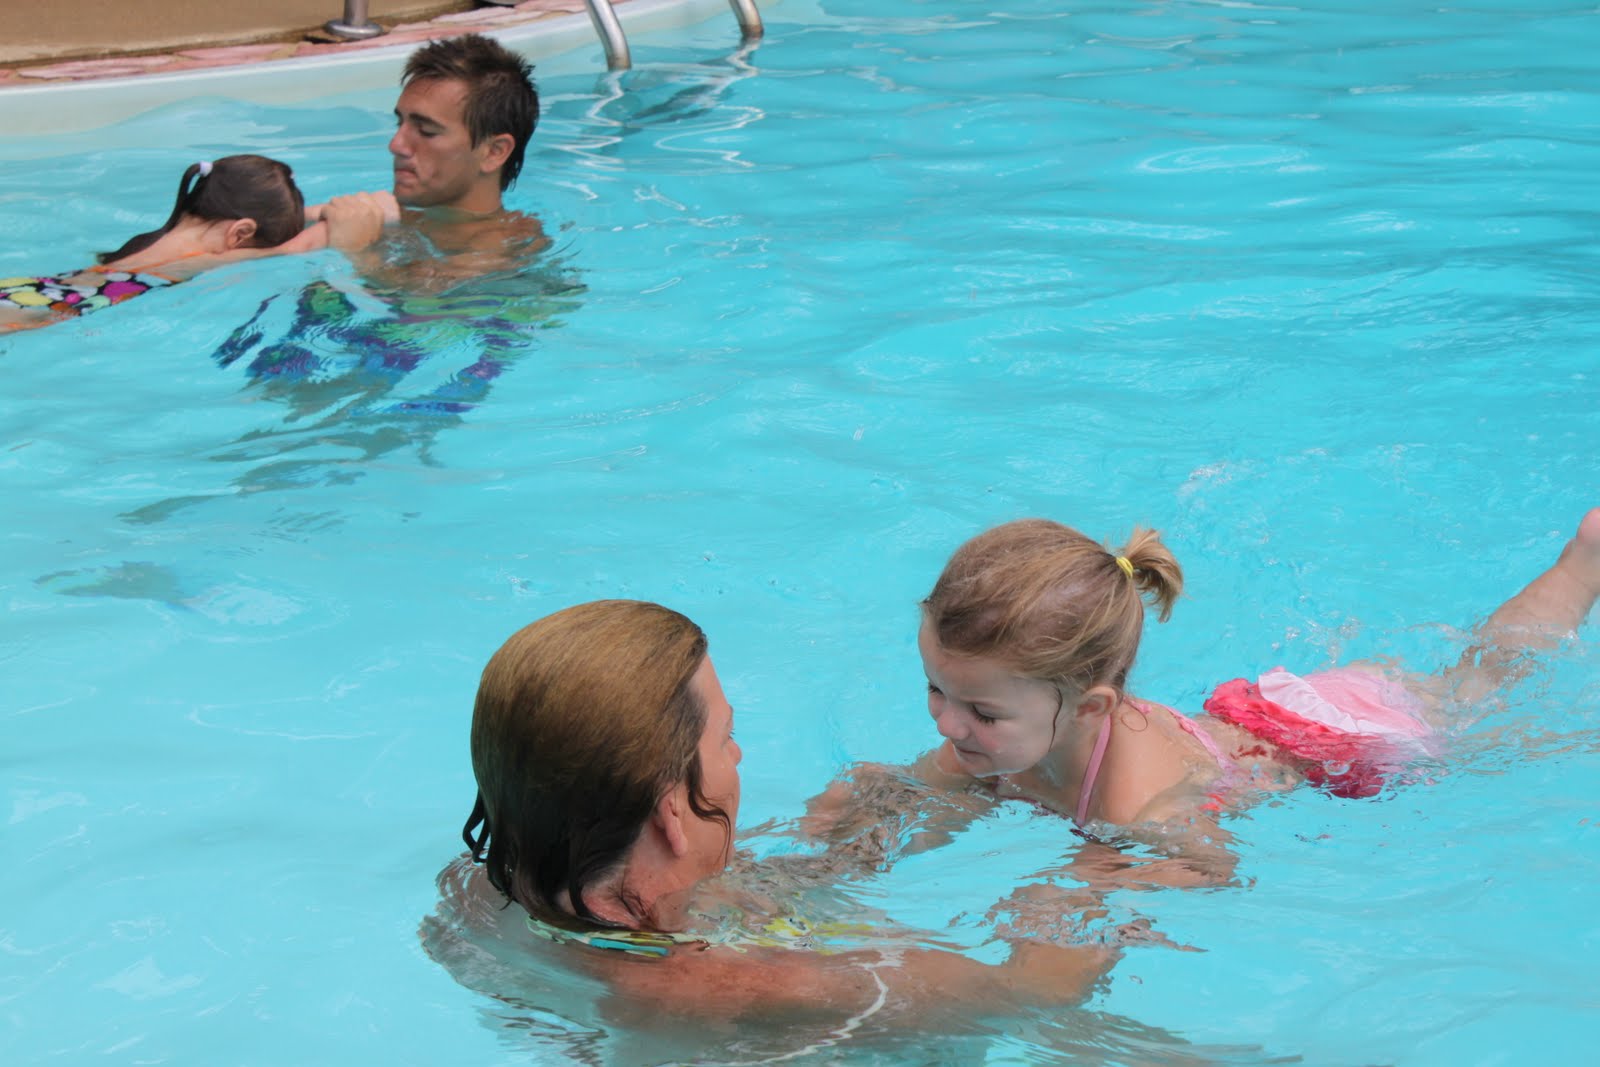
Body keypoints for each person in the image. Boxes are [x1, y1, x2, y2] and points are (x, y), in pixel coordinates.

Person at [432, 599, 1111, 1032]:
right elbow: (1033, 992)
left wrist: (826, 855)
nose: (740, 753)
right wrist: (1089, 884)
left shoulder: (476, 891)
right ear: (672, 812)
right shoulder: (777, 986)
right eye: (726, 738)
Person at [870, 509, 1600, 874]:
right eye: (937, 688)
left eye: (979, 710)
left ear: (1090, 707)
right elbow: (908, 792)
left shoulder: (1136, 800)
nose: (946, 722)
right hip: (1263, 715)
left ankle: (1582, 567)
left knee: (1479, 690)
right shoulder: (1020, 729)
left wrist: (1108, 886)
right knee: (1466, 678)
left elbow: (1213, 867)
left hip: (1346, 743)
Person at [319, 33, 549, 290]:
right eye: (400, 123)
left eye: (427, 131)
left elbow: (423, 305)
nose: (396, 145)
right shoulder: (403, 218)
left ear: (494, 151)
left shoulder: (511, 244)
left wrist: (361, 254)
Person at [1, 155, 326, 334]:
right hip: (38, 312)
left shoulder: (147, 242)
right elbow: (297, 248)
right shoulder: (196, 260)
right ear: (239, 235)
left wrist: (301, 212)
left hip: (30, 290)